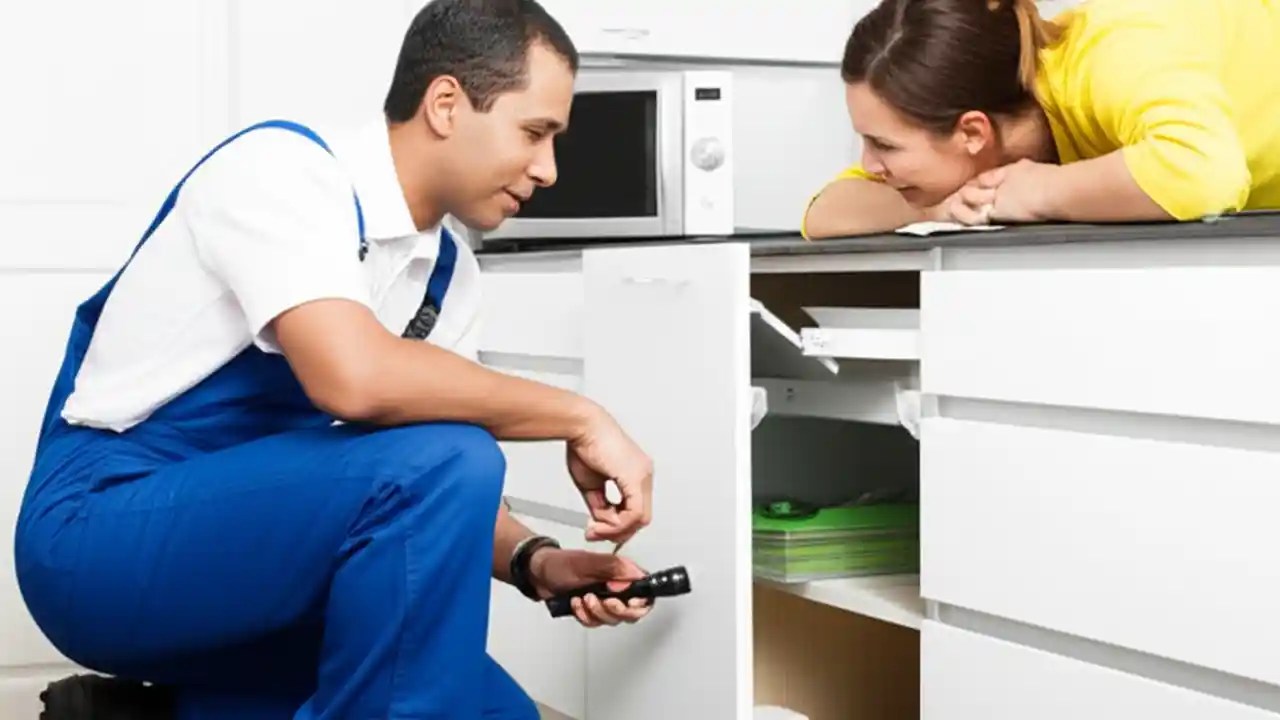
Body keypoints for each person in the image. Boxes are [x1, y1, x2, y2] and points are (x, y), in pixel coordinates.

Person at [14, 1, 657, 718]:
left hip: (256, 561)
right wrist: (581, 417)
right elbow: (354, 381)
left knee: (498, 712)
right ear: (446, 103)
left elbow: (421, 502)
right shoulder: (282, 172)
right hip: (100, 543)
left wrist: (535, 561)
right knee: (451, 455)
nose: (549, 169)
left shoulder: (448, 274)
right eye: (535, 132)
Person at [801, 0, 1280, 240]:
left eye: (884, 146)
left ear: (973, 132)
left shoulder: (1114, 53)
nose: (870, 163)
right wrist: (933, 210)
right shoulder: (960, 130)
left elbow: (1204, 174)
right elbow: (824, 213)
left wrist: (1041, 191)